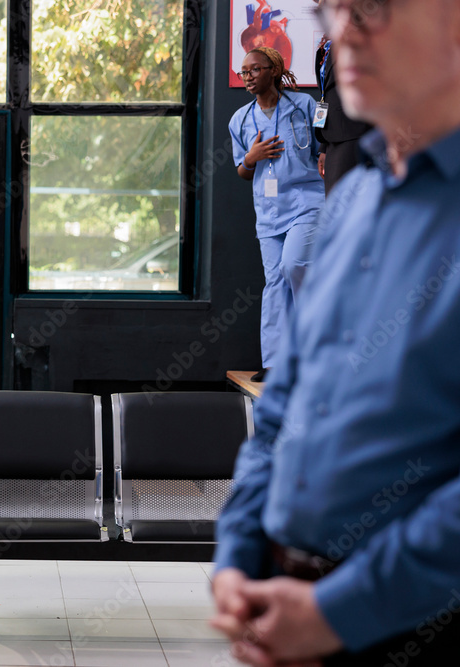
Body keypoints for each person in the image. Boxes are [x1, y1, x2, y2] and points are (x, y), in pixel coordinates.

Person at [212, 1, 460, 665]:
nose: (339, 32)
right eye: (330, 10)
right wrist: (238, 555)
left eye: (372, 8)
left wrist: (338, 612)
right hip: (286, 609)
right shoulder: (353, 199)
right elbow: (287, 399)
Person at [229, 46, 325, 383]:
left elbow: (323, 145)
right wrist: (251, 158)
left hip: (307, 201)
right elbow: (242, 171)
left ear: (274, 69)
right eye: (243, 72)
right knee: (275, 282)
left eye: (255, 69)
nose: (248, 76)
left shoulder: (305, 106)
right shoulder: (239, 120)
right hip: (269, 211)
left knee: (295, 264)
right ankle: (275, 364)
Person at [312, 0, 372, 194]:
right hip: (332, 136)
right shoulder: (325, 45)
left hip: (356, 132)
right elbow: (326, 93)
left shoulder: (361, 32)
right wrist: (324, 146)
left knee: (345, 205)